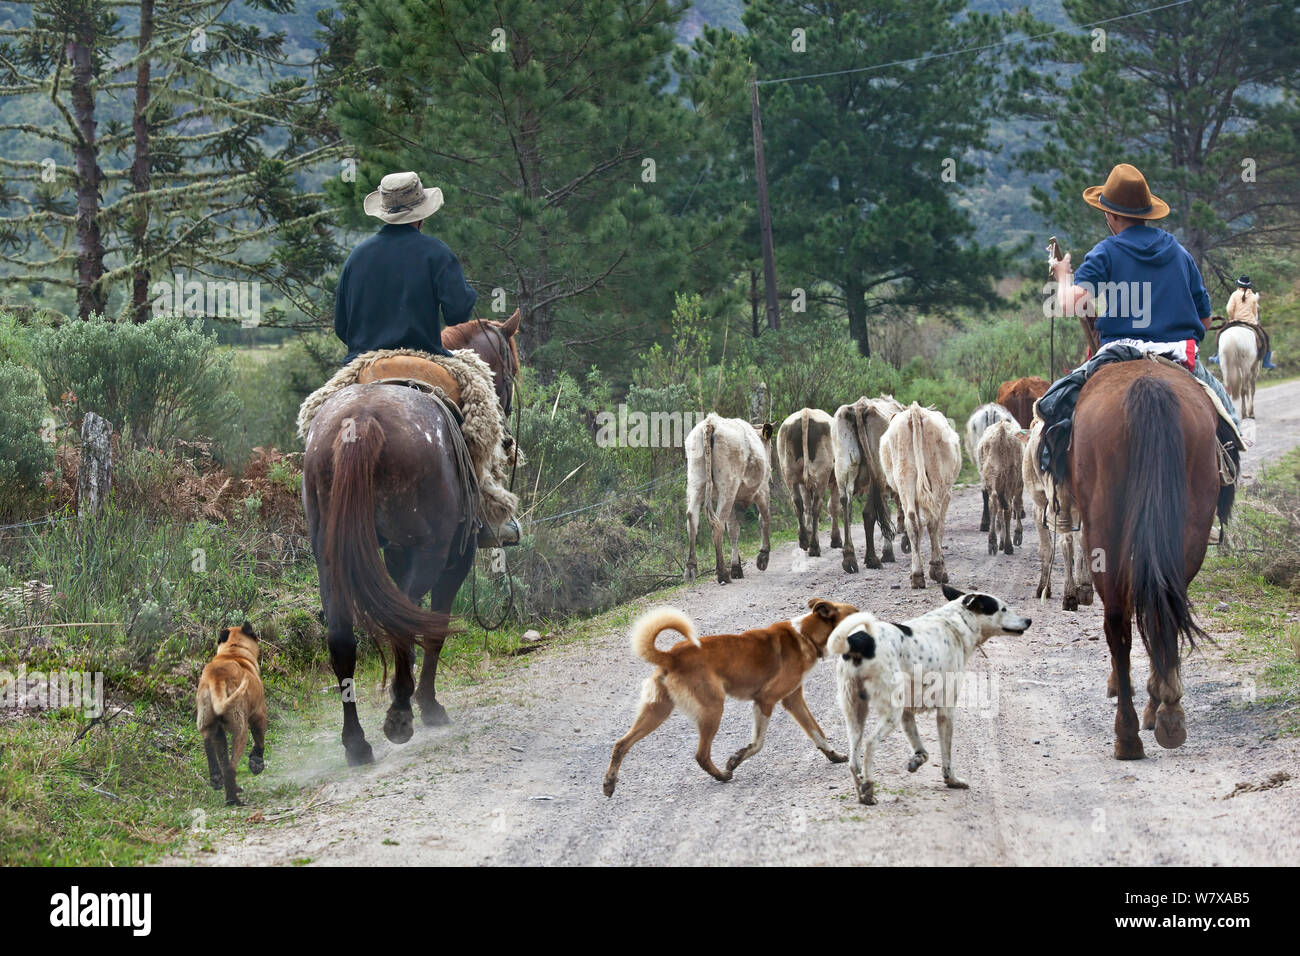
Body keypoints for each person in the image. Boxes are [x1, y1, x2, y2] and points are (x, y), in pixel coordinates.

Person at [333, 171, 520, 546]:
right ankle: (486, 509)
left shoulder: (357, 257)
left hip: (364, 364)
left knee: (317, 415)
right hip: (426, 358)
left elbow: (342, 326)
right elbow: (456, 315)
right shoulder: (436, 252)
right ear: (421, 215)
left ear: (384, 213)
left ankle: (321, 509)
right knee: (481, 408)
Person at [1037, 163, 1239, 481]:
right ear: (1147, 213)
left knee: (1054, 407)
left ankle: (1061, 494)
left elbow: (1066, 304)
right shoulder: (1179, 252)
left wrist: (1063, 275)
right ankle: (1224, 484)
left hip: (1118, 353)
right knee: (1229, 423)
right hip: (1178, 355)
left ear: (1112, 216)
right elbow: (1203, 315)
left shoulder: (1106, 251)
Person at [1221, 276, 1276, 369]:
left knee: (1221, 334)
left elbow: (1229, 309)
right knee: (1265, 338)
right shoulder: (1253, 297)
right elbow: (1254, 312)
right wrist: (1252, 320)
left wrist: (1232, 317)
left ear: (1238, 285)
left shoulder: (1234, 294)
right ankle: (1266, 362)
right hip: (1250, 322)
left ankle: (1218, 357)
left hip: (1236, 321)